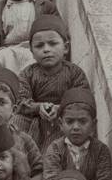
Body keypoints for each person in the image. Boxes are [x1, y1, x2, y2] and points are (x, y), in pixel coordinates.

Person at [18, 15, 88, 148]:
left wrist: (60, 109)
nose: (46, 49)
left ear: (66, 47)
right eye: (39, 46)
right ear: (32, 51)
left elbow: (83, 101)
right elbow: (20, 102)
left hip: (63, 122)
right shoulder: (27, 74)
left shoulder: (74, 73)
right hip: (35, 122)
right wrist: (38, 107)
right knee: (16, 121)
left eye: (53, 44)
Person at [43, 87, 112, 180]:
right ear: (60, 124)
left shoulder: (101, 150)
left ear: (93, 124)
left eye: (82, 121)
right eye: (69, 122)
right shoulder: (55, 148)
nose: (76, 127)